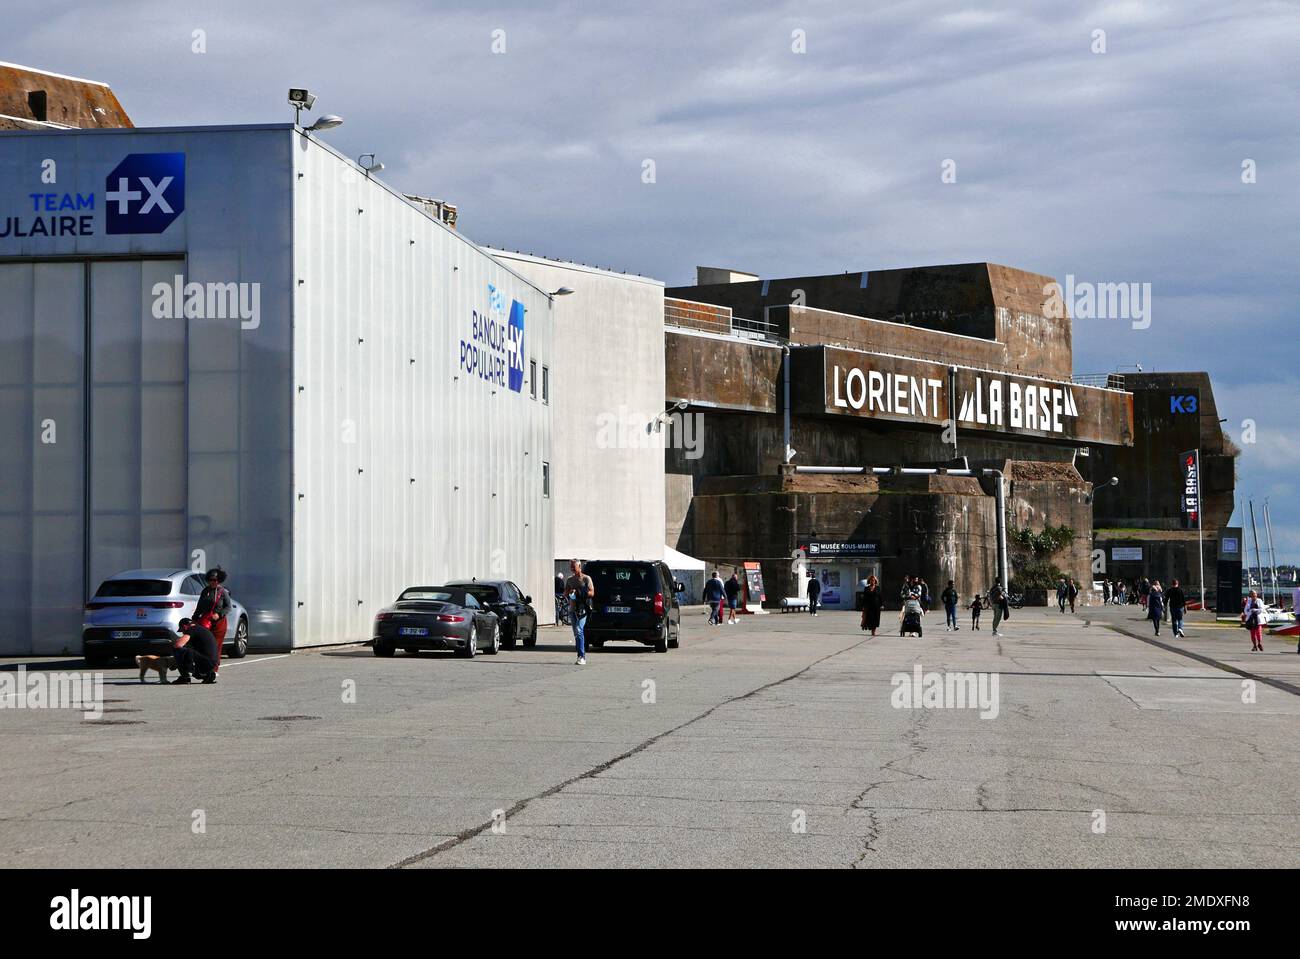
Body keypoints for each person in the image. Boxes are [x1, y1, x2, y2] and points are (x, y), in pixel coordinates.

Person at [194, 566, 231, 674]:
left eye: (214, 580)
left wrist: (219, 615)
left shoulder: (223, 592)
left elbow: (228, 607)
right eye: (210, 580)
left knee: (216, 645)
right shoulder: (205, 591)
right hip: (205, 622)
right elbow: (199, 607)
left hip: (219, 623)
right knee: (204, 645)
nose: (212, 582)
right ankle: (203, 668)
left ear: (219, 580)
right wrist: (194, 619)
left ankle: (214, 669)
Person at [564, 559, 595, 665]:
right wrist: (570, 592)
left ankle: (582, 656)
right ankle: (579, 654)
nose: (571, 568)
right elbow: (565, 593)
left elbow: (592, 593)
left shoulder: (586, 579)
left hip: (583, 609)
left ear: (579, 566)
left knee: (579, 629)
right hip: (573, 610)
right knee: (576, 633)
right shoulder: (570, 579)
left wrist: (581, 592)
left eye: (573, 566)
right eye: (570, 566)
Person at [173, 617, 219, 684]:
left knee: (178, 650)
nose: (182, 633)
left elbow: (178, 645)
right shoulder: (201, 629)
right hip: (212, 663)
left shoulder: (191, 629)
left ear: (185, 627)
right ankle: (208, 675)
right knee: (196, 674)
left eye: (182, 630)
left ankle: (185, 677)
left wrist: (175, 660)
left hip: (205, 662)